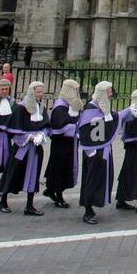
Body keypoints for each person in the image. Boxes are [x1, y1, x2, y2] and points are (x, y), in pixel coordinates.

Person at [0, 81, 49, 216]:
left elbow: (45, 124)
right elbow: (14, 129)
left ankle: (29, 205)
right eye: (38, 92)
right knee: (13, 173)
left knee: (34, 175)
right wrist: (29, 137)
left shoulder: (41, 106)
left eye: (41, 91)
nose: (41, 94)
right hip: (22, 148)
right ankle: (3, 201)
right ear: (32, 92)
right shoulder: (21, 108)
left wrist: (42, 134)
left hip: (36, 148)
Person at [77, 81, 120, 225]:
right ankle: (87, 210)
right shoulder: (90, 110)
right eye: (108, 92)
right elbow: (85, 132)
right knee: (91, 180)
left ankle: (93, 205)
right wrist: (91, 151)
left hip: (103, 150)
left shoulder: (103, 108)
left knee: (99, 179)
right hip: (94, 152)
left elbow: (112, 120)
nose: (111, 94)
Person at [43, 78, 81, 209]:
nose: (77, 93)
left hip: (69, 144)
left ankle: (51, 189)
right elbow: (57, 126)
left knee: (62, 168)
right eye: (75, 90)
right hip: (61, 144)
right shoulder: (60, 107)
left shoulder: (69, 105)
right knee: (59, 168)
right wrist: (74, 127)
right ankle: (58, 195)